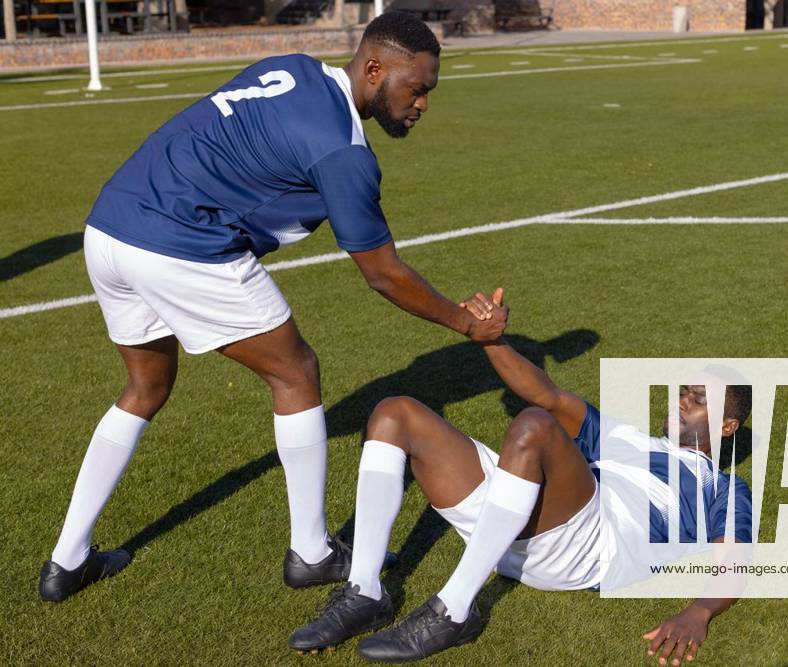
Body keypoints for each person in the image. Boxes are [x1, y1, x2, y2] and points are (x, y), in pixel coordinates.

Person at [38, 13, 506, 603]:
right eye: (416, 88)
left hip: (110, 226)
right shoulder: (343, 150)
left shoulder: (292, 69)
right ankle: (310, 551)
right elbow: (384, 275)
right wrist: (465, 322)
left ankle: (67, 560)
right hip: (180, 243)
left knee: (145, 387)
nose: (422, 104)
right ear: (374, 69)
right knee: (295, 372)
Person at [289, 289, 752, 664]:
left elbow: (736, 559)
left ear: (727, 427)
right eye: (683, 391)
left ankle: (454, 609)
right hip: (516, 521)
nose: (682, 401)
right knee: (395, 413)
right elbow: (548, 393)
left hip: (587, 547)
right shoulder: (626, 436)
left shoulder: (724, 488)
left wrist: (698, 613)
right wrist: (489, 338)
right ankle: (365, 590)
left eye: (699, 399)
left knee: (535, 427)